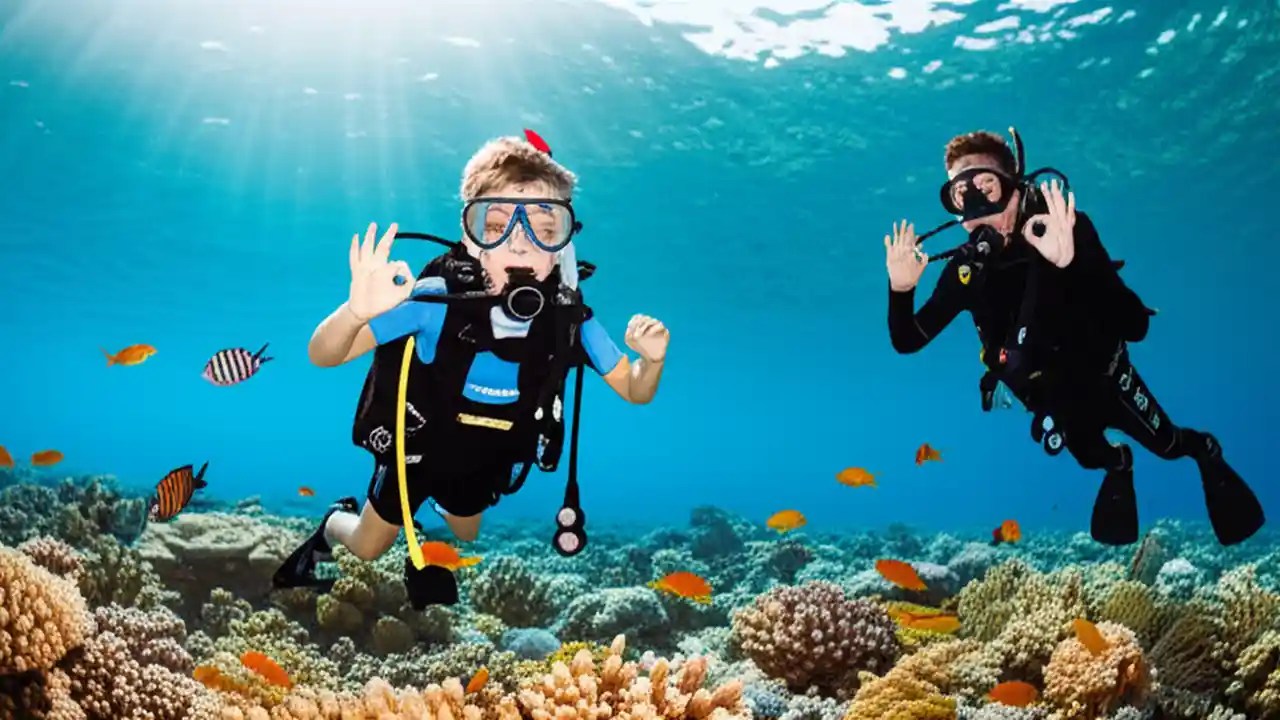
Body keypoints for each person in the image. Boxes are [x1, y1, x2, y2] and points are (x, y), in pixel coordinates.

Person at [274, 131, 670, 604]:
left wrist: (653, 361)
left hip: (490, 458)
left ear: (563, 246)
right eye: (496, 224)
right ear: (470, 237)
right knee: (367, 546)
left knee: (467, 535)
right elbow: (324, 354)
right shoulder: (435, 301)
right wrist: (355, 311)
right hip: (415, 452)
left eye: (545, 231)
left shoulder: (570, 321)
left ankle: (430, 513)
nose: (520, 247)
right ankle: (334, 521)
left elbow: (636, 391)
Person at [883, 127, 1263, 547]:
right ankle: (1119, 465)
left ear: (1015, 188)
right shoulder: (966, 271)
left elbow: (1136, 325)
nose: (974, 210)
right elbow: (908, 339)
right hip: (1050, 400)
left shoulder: (1065, 229)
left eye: (986, 188)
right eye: (960, 195)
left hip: (1106, 380)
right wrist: (900, 290)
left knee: (1168, 445)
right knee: (1091, 458)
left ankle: (1205, 451)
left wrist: (1074, 263)